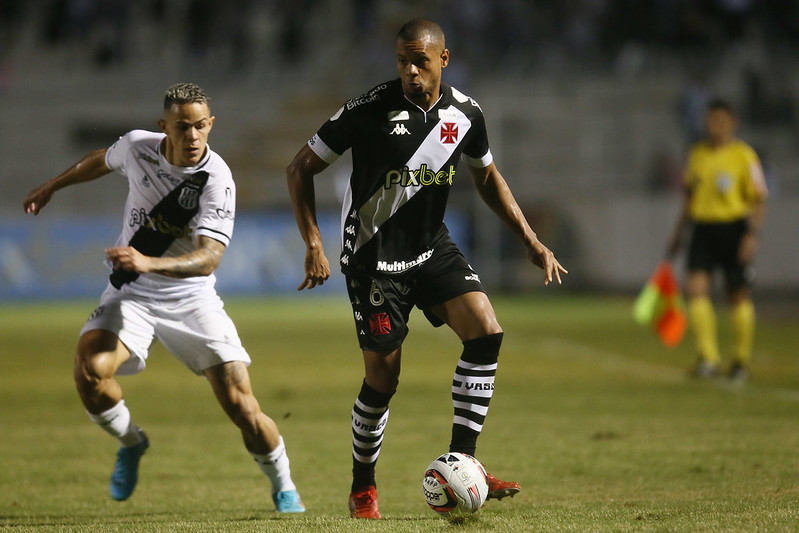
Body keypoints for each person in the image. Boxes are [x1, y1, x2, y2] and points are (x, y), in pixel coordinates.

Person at [286, 19, 567, 519]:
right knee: (383, 379)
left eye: (420, 61)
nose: (410, 71)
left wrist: (530, 238)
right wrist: (314, 242)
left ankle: (466, 465)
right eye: (402, 61)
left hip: (430, 247)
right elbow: (299, 168)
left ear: (444, 59)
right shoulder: (370, 109)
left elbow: (487, 178)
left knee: (485, 331)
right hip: (373, 258)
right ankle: (362, 487)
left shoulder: (466, 114)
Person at [23, 83, 305, 512]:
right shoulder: (139, 147)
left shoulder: (217, 180)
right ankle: (133, 442)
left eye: (200, 127)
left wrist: (147, 262)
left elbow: (209, 258)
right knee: (89, 372)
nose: (193, 137)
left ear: (211, 125)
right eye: (182, 127)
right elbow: (102, 159)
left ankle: (284, 485)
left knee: (241, 406)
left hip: (192, 300)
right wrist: (52, 186)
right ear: (164, 127)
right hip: (133, 294)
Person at [667, 97, 768, 382]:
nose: (715, 126)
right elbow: (689, 199)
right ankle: (708, 358)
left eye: (720, 120)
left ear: (732, 122)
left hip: (734, 229)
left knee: (737, 294)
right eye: (710, 120)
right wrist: (678, 234)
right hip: (702, 228)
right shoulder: (697, 154)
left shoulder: (744, 156)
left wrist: (751, 235)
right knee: (696, 289)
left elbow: (759, 200)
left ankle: (740, 361)